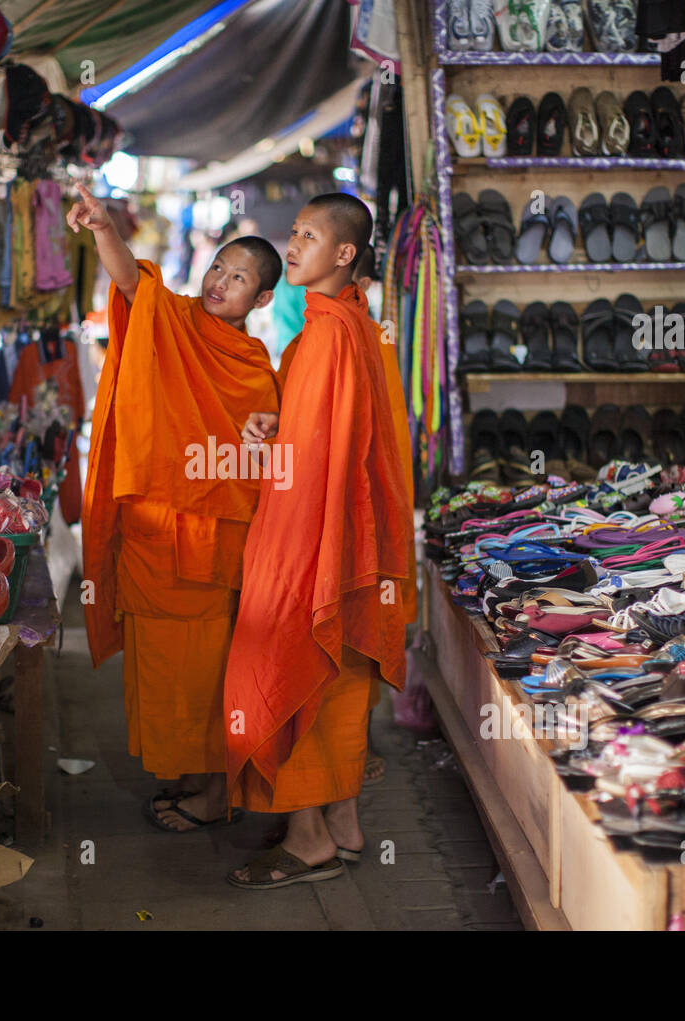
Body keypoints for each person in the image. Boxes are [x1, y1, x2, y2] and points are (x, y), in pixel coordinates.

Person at [71, 182, 283, 833]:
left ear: (263, 299)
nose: (221, 282)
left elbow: (259, 463)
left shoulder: (253, 364)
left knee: (210, 671)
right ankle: (190, 776)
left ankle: (217, 792)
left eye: (239, 277)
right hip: (156, 532)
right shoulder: (177, 317)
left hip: (215, 549)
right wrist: (104, 229)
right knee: (163, 665)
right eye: (219, 266)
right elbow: (133, 284)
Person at [224, 193, 412, 888]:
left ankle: (308, 838)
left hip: (313, 530)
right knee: (341, 674)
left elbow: (324, 458)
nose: (293, 245)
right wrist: (275, 429)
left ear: (344, 254)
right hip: (351, 532)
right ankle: (343, 823)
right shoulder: (351, 322)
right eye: (293, 233)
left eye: (310, 236)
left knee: (290, 660)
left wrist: (300, 558)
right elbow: (335, 435)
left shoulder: (331, 333)